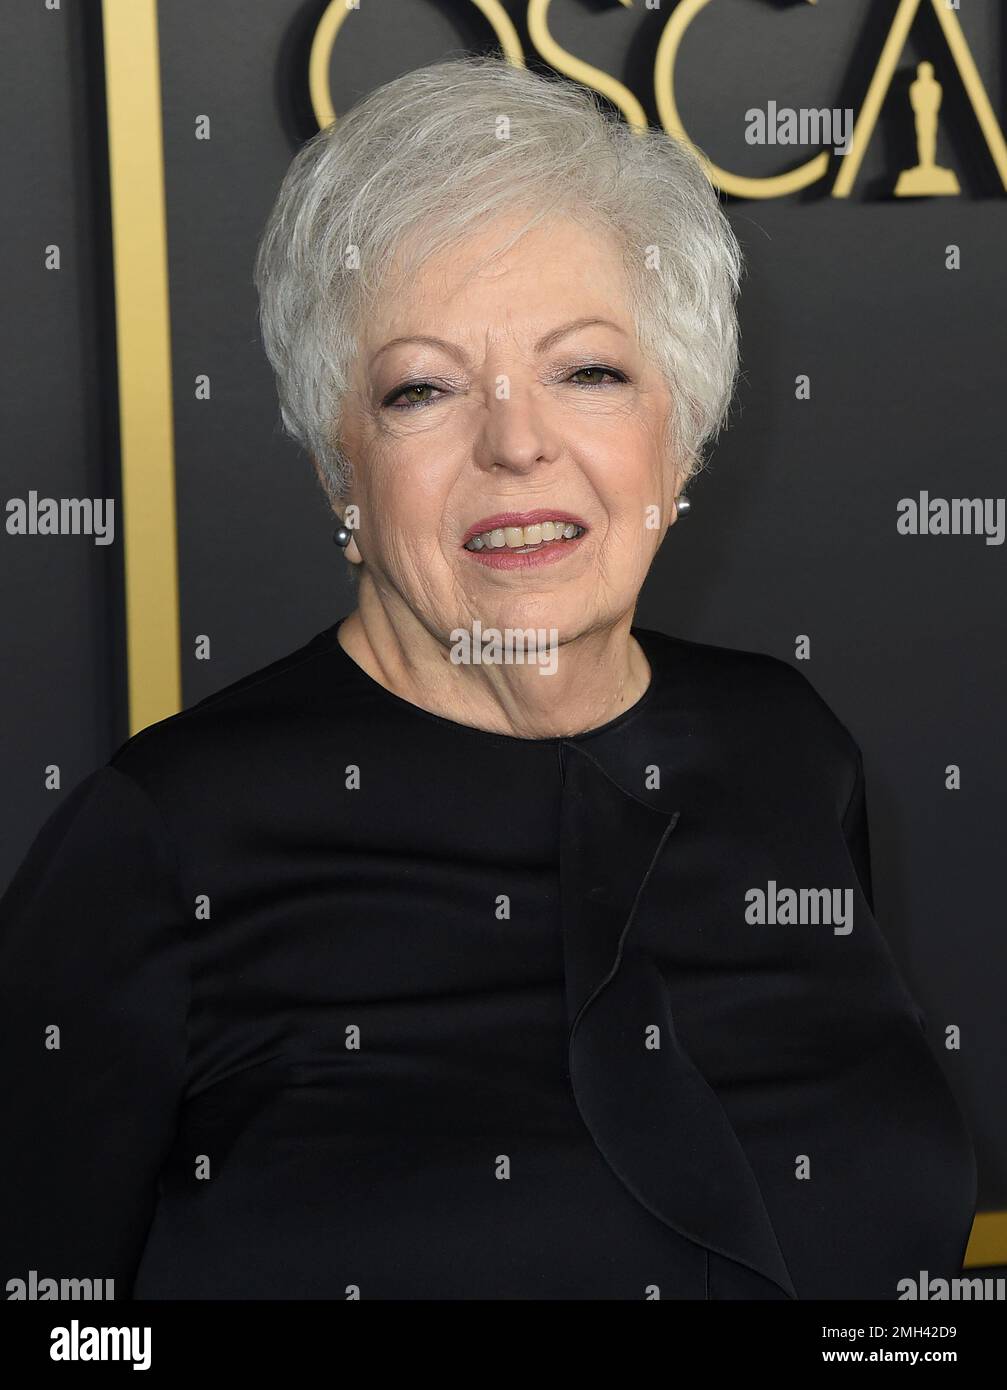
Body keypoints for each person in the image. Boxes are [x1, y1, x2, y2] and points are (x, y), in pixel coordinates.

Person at [0, 54, 975, 1300]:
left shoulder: (782, 748)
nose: (516, 442)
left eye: (588, 372)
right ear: (340, 472)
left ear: (677, 432)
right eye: (424, 388)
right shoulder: (161, 838)